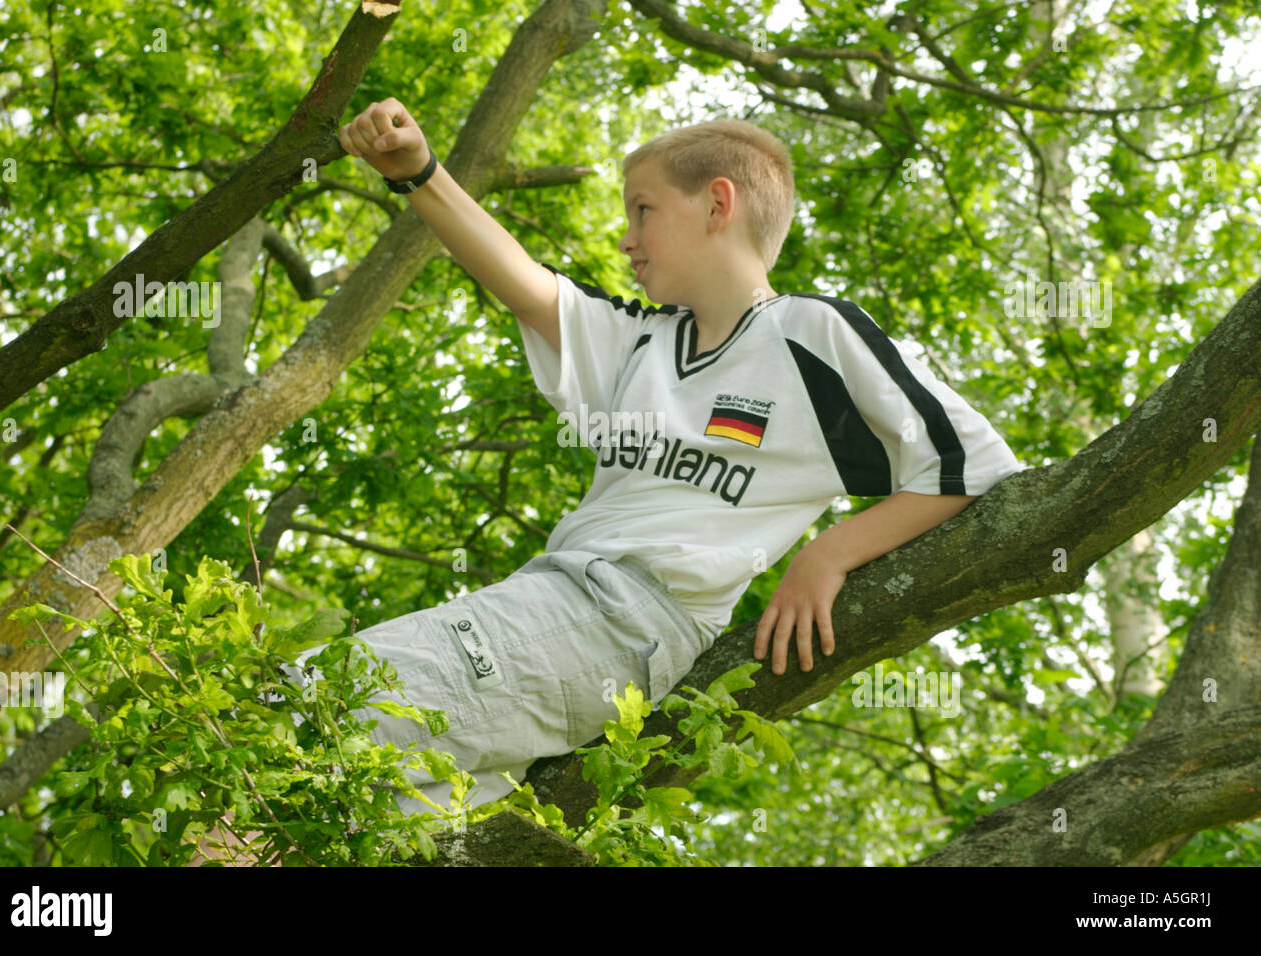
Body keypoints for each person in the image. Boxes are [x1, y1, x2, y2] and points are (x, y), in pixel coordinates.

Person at [292, 98, 1027, 817]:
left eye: (642, 210)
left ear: (717, 205)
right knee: (336, 811)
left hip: (617, 618)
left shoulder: (811, 333)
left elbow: (974, 464)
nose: (626, 238)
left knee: (318, 702)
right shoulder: (639, 342)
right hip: (555, 614)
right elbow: (517, 279)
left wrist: (825, 556)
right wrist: (417, 171)